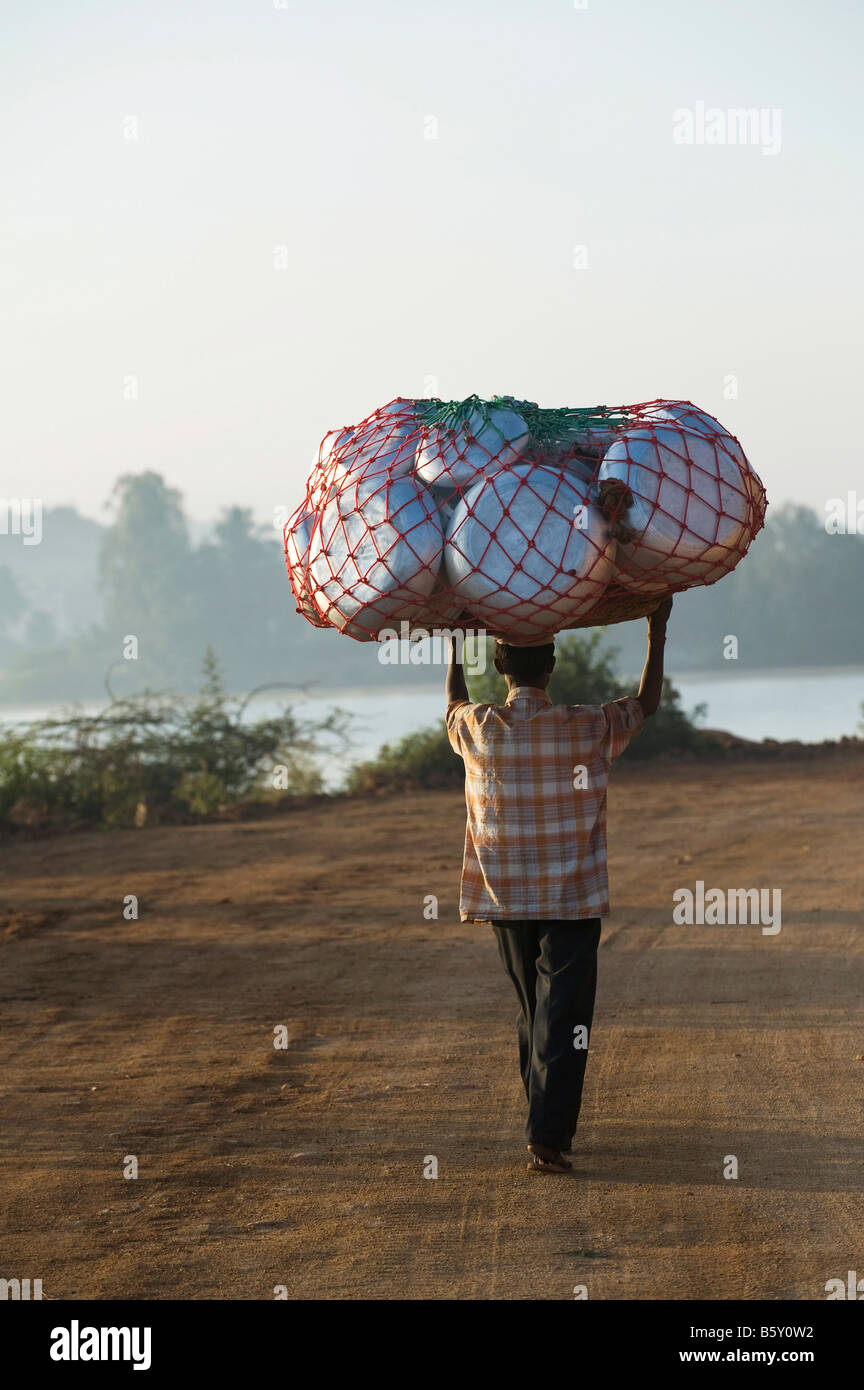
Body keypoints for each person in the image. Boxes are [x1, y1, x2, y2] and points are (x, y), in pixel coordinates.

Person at [444, 599, 673, 1174]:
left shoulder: (479, 728)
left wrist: (452, 648)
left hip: (507, 895)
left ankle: (544, 1124)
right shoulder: (587, 725)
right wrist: (656, 629)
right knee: (564, 1016)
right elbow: (647, 703)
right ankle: (546, 1133)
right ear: (551, 666)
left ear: (501, 667)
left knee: (533, 1011)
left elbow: (451, 703)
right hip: (571, 898)